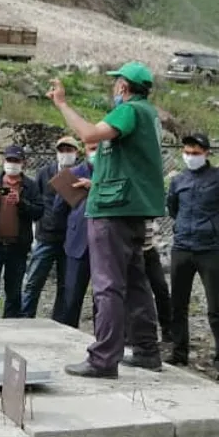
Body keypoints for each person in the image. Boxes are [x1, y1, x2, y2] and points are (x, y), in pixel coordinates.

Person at [48, 62, 166, 377]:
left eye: (116, 83)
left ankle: (103, 359)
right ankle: (146, 350)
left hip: (113, 209)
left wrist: (62, 104)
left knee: (107, 284)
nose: (114, 87)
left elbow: (88, 134)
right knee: (136, 282)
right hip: (133, 208)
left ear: (123, 87)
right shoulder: (149, 113)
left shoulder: (129, 111)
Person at [166, 133, 219, 375]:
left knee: (216, 305)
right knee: (178, 303)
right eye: (187, 153)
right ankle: (179, 352)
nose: (190, 157)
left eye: (196, 153)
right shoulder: (178, 180)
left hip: (209, 249)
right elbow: (173, 208)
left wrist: (217, 225)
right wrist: (183, 226)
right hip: (182, 247)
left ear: (206, 153)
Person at [0, 145, 43, 319]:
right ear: (3, 161)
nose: (12, 164)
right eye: (9, 160)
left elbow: (38, 212)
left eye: (16, 160)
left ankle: (11, 327)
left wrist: (21, 202)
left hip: (17, 247)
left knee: (14, 293)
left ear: (23, 163)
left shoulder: (30, 186)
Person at [20, 136, 80, 319]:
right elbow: (37, 201)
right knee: (33, 281)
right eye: (62, 150)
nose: (65, 154)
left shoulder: (81, 173)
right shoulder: (44, 173)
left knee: (66, 285)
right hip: (46, 236)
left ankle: (60, 322)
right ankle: (25, 319)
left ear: (76, 153)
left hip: (70, 238)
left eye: (69, 150)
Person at [54, 141, 98, 330]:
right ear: (85, 151)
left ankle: (103, 339)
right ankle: (68, 335)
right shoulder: (72, 174)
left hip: (104, 245)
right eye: (92, 148)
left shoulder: (113, 173)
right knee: (71, 297)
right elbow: (58, 210)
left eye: (99, 148)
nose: (96, 152)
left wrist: (94, 186)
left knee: (103, 298)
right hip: (77, 244)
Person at [137, 220, 173, 345]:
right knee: (137, 293)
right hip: (133, 251)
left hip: (149, 250)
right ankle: (137, 333)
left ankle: (168, 329)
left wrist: (157, 238)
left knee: (161, 288)